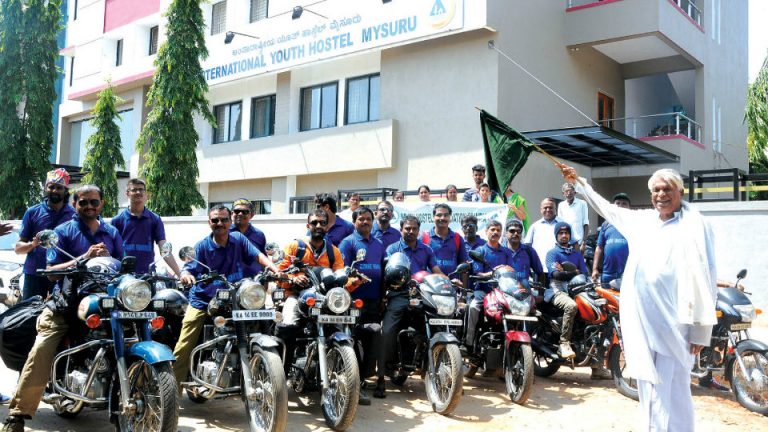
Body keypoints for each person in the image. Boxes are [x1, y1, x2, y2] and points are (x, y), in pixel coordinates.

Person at [559, 164, 717, 431]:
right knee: (648, 385)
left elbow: (707, 275)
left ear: (680, 192)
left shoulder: (696, 226)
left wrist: (701, 331)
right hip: (644, 320)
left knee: (674, 387)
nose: (661, 195)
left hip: (676, 323)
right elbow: (607, 209)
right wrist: (580, 183)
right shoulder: (643, 221)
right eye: (656, 190)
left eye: (667, 189)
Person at [2, 185, 123, 432]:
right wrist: (84, 258)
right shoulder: (63, 231)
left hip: (103, 302)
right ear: (75, 204)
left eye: (94, 202)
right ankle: (18, 414)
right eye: (83, 202)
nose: (89, 206)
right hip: (66, 302)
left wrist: (114, 261)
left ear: (102, 204)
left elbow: (124, 265)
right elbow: (52, 273)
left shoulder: (112, 232)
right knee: (42, 348)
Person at [173, 205, 279, 386]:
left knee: (265, 321)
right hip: (204, 300)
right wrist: (186, 275)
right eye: (215, 220)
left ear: (230, 222)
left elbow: (258, 255)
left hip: (235, 298)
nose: (220, 223)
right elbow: (188, 267)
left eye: (224, 219)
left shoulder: (238, 239)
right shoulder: (202, 246)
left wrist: (274, 269)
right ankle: (173, 390)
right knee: (185, 343)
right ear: (209, 223)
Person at [375, 215, 444, 398]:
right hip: (399, 295)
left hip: (423, 296)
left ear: (418, 230)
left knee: (438, 324)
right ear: (401, 229)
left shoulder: (426, 249)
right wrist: (383, 297)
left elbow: (436, 270)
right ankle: (381, 377)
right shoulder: (392, 249)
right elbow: (386, 275)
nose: (411, 231)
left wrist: (448, 282)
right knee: (386, 331)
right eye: (407, 228)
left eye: (414, 229)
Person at [275, 209, 345, 374]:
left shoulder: (333, 251)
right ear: (308, 226)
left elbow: (340, 274)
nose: (318, 225)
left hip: (324, 299)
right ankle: (281, 372)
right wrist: (294, 278)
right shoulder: (295, 246)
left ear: (327, 227)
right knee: (288, 324)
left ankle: (341, 370)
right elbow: (278, 273)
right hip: (296, 295)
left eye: (322, 223)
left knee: (341, 326)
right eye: (314, 222)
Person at [338, 207, 385, 406]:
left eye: (368, 219)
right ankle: (353, 384)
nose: (365, 222)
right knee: (353, 342)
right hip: (353, 302)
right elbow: (342, 272)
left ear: (373, 222)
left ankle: (363, 380)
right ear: (354, 222)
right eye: (361, 219)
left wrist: (382, 298)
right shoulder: (348, 242)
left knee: (372, 339)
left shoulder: (379, 244)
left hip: (374, 301)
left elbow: (383, 270)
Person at [15, 168, 75, 300]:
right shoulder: (32, 212)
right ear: (45, 188)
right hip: (35, 274)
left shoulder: (74, 215)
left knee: (61, 312)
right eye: (51, 187)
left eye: (59, 187)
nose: (54, 190)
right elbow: (18, 248)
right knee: (30, 311)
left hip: (62, 274)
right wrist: (33, 244)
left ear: (66, 190)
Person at [110, 178, 180, 276]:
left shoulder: (155, 219)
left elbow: (164, 249)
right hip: (123, 277)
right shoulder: (117, 221)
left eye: (141, 189)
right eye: (134, 190)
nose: (138, 192)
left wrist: (180, 274)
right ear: (127, 194)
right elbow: (111, 251)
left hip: (148, 276)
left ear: (146, 194)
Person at [465, 220, 515, 352]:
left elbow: (511, 270)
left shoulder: (506, 252)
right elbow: (478, 274)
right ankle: (468, 342)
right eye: (492, 229)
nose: (495, 232)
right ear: (486, 232)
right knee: (473, 307)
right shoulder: (480, 250)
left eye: (498, 230)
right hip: (483, 291)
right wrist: (495, 272)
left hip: (502, 293)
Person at [545, 222, 588, 360]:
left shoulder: (576, 254)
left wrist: (565, 271)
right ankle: (564, 343)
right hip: (557, 290)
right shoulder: (552, 253)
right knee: (571, 306)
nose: (564, 235)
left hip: (577, 290)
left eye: (566, 233)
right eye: (561, 233)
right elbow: (556, 275)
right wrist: (575, 272)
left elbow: (584, 273)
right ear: (556, 236)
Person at [591, 193, 630, 287]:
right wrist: (594, 269)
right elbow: (599, 247)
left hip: (627, 274)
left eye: (624, 203)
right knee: (605, 296)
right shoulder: (606, 224)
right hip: (607, 273)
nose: (620, 206)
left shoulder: (634, 224)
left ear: (629, 207)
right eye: (618, 203)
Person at [421, 203, 469, 276]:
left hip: (454, 282)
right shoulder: (424, 238)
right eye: (439, 215)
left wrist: (463, 283)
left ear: (450, 218)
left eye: (446, 215)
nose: (442, 218)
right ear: (433, 217)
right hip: (430, 282)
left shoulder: (457, 238)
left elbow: (463, 264)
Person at [230, 198, 268, 275]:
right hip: (230, 280)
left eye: (245, 212)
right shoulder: (224, 233)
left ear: (251, 215)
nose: (240, 214)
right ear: (232, 214)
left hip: (255, 279)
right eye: (237, 211)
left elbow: (263, 258)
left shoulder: (259, 234)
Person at [524, 197, 561, 274]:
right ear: (541, 210)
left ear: (555, 209)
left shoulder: (563, 225)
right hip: (538, 269)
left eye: (550, 207)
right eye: (545, 208)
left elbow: (574, 244)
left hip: (559, 269)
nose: (548, 210)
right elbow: (527, 247)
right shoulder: (534, 226)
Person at [504, 220, 544, 289]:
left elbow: (540, 273)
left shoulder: (529, 250)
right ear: (506, 233)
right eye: (512, 231)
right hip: (504, 291)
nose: (515, 233)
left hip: (524, 291)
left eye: (519, 231)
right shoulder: (500, 250)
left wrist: (540, 293)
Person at [558, 183, 589, 254]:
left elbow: (586, 223)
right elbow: (560, 224)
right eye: (566, 191)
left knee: (579, 260)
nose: (569, 193)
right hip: (565, 243)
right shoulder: (561, 205)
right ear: (563, 193)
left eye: (571, 191)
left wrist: (584, 243)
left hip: (579, 243)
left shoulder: (582, 203)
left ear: (575, 192)